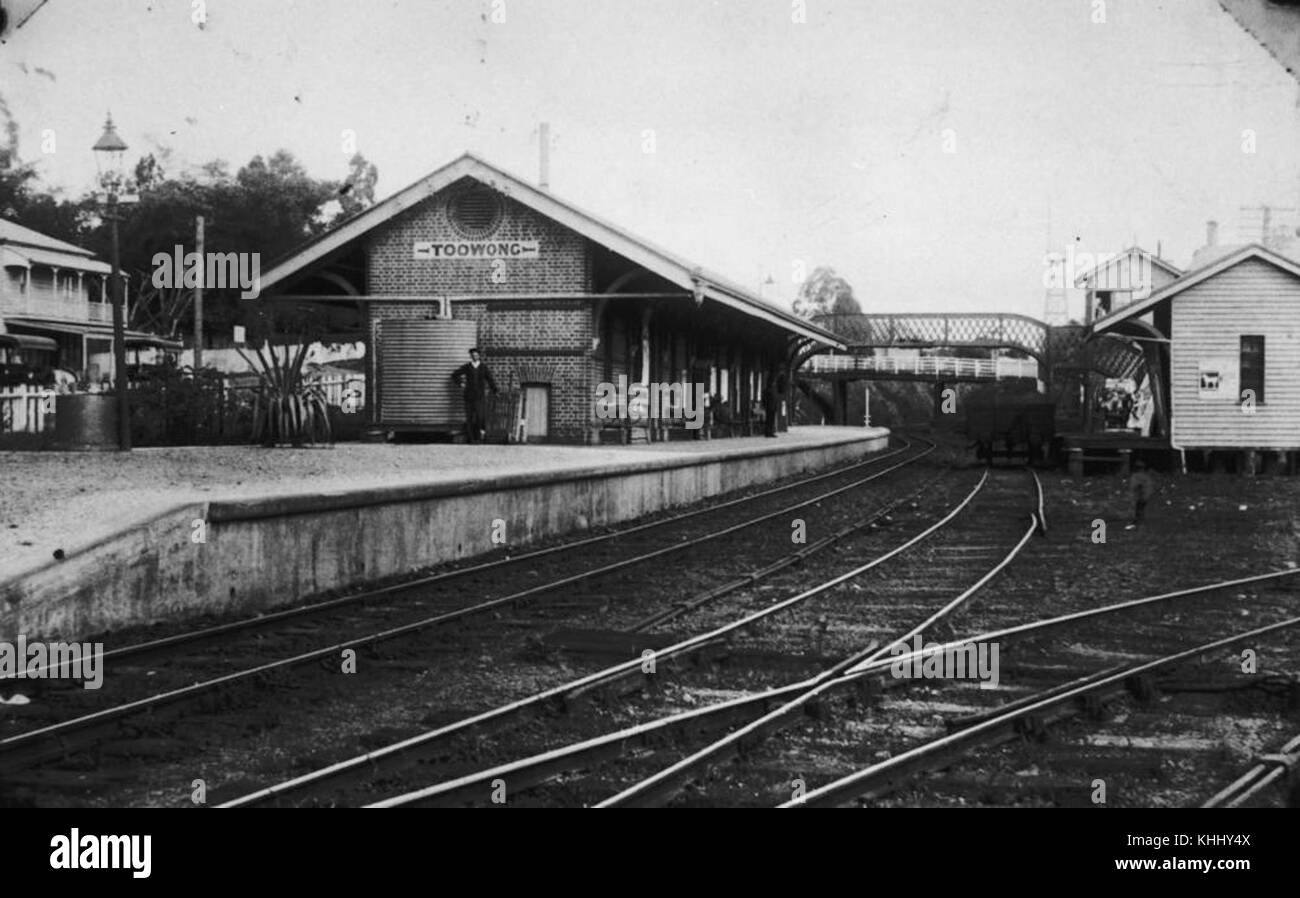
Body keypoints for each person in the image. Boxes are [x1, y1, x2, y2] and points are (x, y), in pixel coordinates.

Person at [451, 347, 499, 444]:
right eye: (473, 355)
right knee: (469, 418)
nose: (474, 356)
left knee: (479, 417)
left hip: (480, 397)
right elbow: (455, 375)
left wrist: (495, 391)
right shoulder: (467, 367)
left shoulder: (483, 367)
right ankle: (471, 439)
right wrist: (461, 384)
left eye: (476, 355)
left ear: (479, 356)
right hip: (468, 397)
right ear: (471, 356)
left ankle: (478, 438)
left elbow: (490, 380)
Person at [1125, 459, 1153, 530]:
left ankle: (1137, 522)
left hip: (1140, 496)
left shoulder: (1136, 476)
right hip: (1144, 496)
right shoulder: (1146, 476)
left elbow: (1134, 486)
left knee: (1138, 509)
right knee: (1140, 509)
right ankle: (1139, 521)